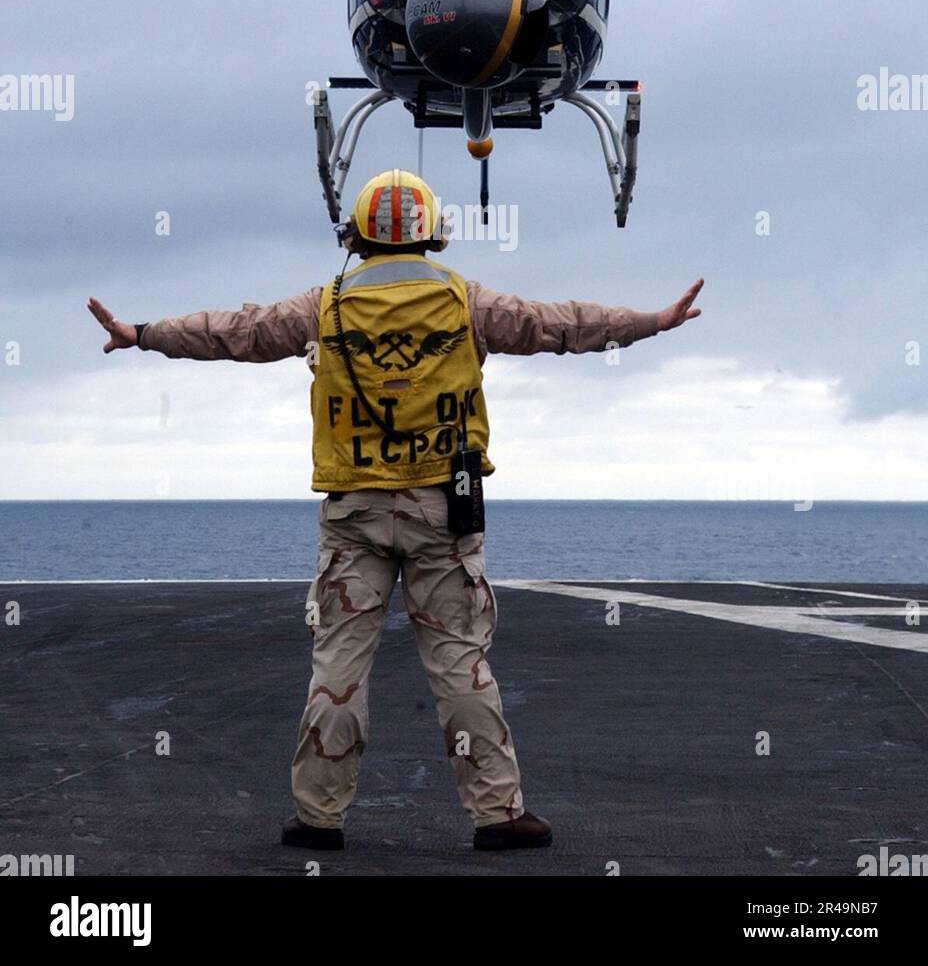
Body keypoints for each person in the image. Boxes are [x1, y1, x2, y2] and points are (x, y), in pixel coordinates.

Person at [87, 168, 703, 852]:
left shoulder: (325, 305)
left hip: (353, 517)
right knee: (460, 663)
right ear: (432, 233)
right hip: (444, 512)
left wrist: (142, 332)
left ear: (355, 236)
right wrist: (652, 323)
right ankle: (498, 815)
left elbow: (237, 332)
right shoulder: (464, 301)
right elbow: (557, 325)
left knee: (338, 666)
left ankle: (319, 819)